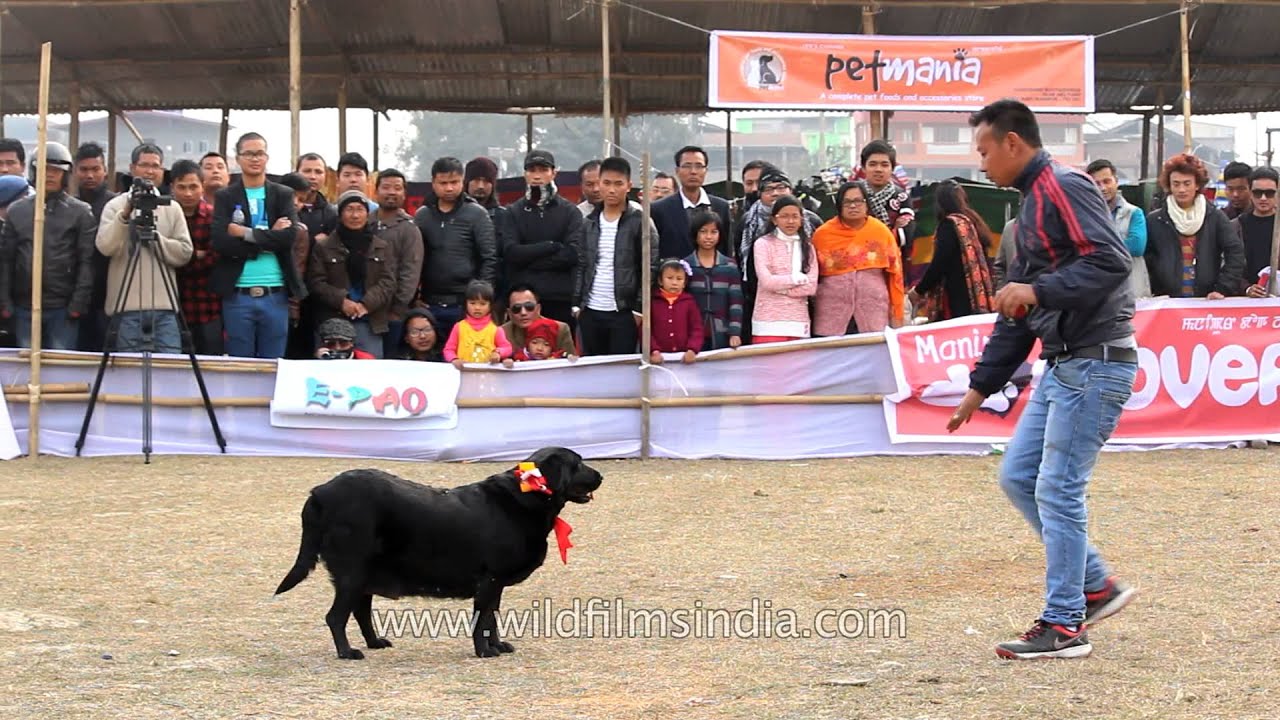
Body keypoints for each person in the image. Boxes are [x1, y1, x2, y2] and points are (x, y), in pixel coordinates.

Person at [951, 99, 1139, 661]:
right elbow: (1016, 314)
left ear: (1013, 143)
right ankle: (1097, 586)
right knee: (1018, 477)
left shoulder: (1064, 185)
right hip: (1063, 365)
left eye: (984, 152)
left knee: (1057, 489)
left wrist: (1038, 291)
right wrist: (979, 387)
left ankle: (1065, 624)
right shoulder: (1028, 209)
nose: (981, 165)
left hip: (1094, 360)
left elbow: (1111, 261)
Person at [306, 190, 398, 358]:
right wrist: (342, 301)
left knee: (370, 374)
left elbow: (388, 282)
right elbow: (316, 282)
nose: (355, 215)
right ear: (340, 214)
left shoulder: (381, 246)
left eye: (360, 209)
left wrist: (365, 304)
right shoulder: (324, 246)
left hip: (369, 321)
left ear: (367, 214)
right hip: (332, 319)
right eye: (349, 209)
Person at [811, 180, 905, 335]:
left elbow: (895, 276)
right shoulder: (822, 235)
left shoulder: (881, 232)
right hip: (831, 315)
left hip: (873, 313)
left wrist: (897, 314)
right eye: (847, 202)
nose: (853, 206)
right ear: (839, 205)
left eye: (858, 201)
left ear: (866, 204)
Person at [1145, 153, 1244, 299]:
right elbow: (1147, 259)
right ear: (1169, 185)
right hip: (1166, 302)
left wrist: (1223, 288)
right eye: (1176, 184)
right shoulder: (1156, 219)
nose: (1181, 190)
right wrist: (1156, 287)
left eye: (1187, 183)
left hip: (1206, 301)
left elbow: (1235, 253)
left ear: (1197, 184)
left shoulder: (1214, 217)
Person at [908, 180, 995, 322]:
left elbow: (939, 263)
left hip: (955, 299)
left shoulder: (949, 226)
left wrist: (919, 290)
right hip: (975, 296)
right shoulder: (972, 222)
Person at [750, 196, 818, 343]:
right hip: (768, 322)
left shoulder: (808, 247)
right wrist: (796, 279)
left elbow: (811, 287)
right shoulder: (762, 244)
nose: (790, 221)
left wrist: (781, 289)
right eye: (785, 216)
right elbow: (767, 282)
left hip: (799, 321)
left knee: (799, 365)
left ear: (801, 220)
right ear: (775, 220)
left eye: (795, 216)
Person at [683, 209, 743, 350]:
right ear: (695, 234)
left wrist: (735, 332)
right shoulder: (685, 265)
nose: (708, 237)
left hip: (722, 332)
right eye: (703, 231)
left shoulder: (729, 266)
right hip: (692, 333)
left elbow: (736, 302)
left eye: (713, 232)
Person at [443, 279, 512, 367]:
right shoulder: (459, 327)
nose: (477, 308)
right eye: (472, 303)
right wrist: (454, 359)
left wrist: (498, 353)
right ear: (466, 304)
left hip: (488, 376)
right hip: (464, 374)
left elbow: (507, 348)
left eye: (482, 304)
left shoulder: (496, 330)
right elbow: (448, 349)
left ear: (490, 305)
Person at [501, 283, 577, 360]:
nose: (523, 312)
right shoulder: (502, 332)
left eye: (529, 307)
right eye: (516, 308)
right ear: (509, 313)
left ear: (538, 308)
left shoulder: (560, 329)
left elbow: (572, 364)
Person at [649, 258, 703, 365]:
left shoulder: (689, 302)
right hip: (659, 359)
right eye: (669, 278)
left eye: (679, 279)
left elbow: (697, 328)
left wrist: (692, 349)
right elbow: (645, 330)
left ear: (684, 283)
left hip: (684, 358)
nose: (674, 283)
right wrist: (653, 350)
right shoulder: (652, 302)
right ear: (660, 280)